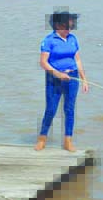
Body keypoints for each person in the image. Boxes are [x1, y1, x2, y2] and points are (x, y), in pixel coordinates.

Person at [35, 11, 89, 152]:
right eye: (67, 26)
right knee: (51, 109)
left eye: (71, 26)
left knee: (69, 109)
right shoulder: (49, 40)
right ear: (58, 25)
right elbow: (43, 63)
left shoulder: (73, 39)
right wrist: (58, 74)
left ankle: (68, 141)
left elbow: (77, 59)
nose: (69, 29)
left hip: (72, 78)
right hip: (54, 79)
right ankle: (42, 138)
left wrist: (84, 80)